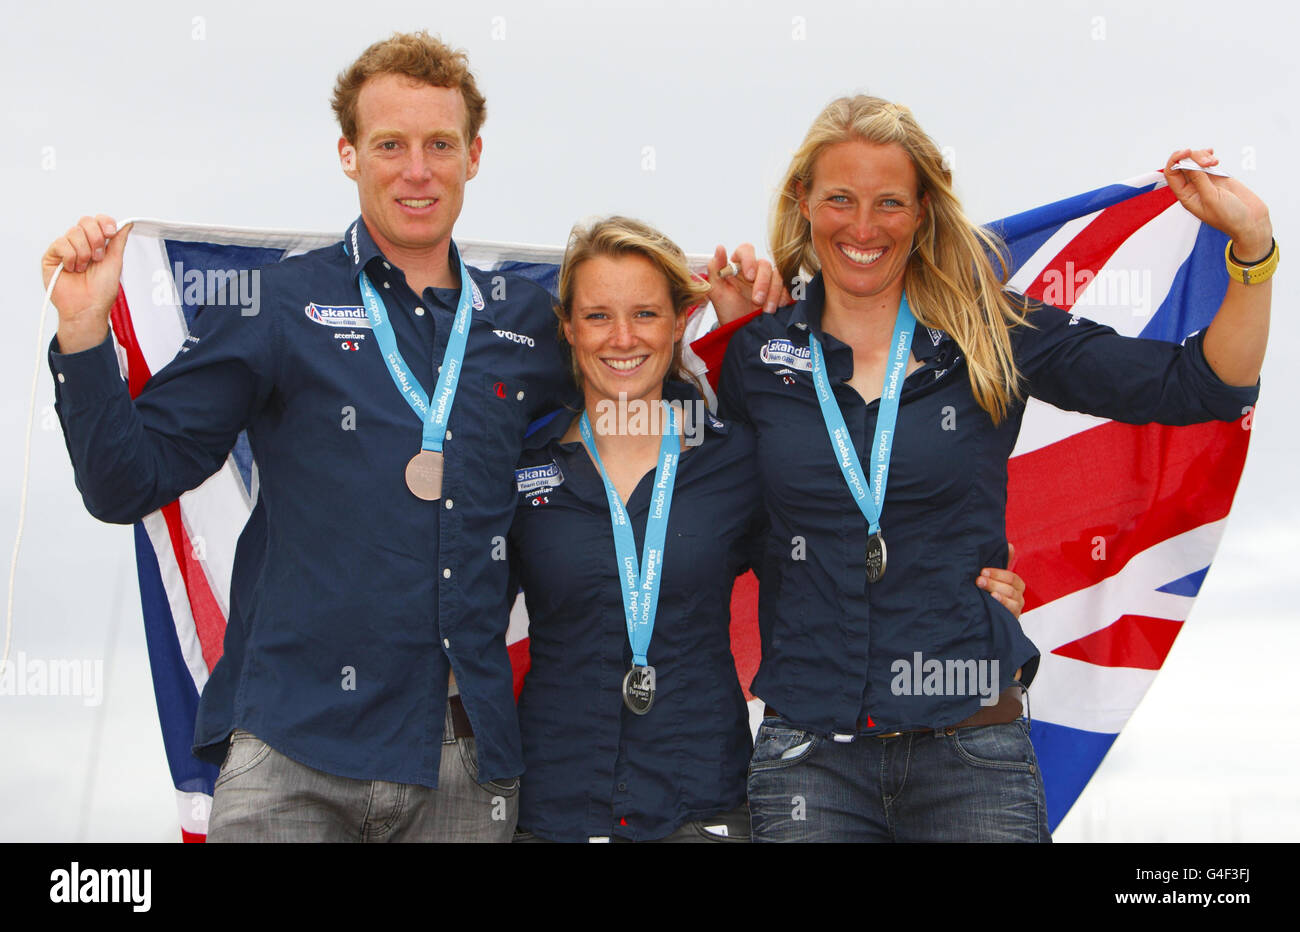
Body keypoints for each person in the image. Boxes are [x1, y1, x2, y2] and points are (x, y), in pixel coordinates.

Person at [41, 32, 581, 842]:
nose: (417, 170)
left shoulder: (528, 322)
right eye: (389, 145)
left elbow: (654, 392)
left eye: (439, 145)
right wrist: (84, 333)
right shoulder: (278, 304)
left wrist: (742, 315)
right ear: (348, 154)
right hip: (292, 750)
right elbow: (126, 482)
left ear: (474, 155)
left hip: (465, 768)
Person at [709, 96, 1271, 842]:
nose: (864, 226)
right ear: (802, 203)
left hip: (971, 747)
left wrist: (1255, 250)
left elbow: (1202, 386)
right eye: (839, 199)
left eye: (890, 203)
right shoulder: (756, 356)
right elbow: (714, 528)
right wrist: (726, 332)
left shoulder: (991, 330)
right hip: (810, 756)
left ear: (924, 213)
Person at [506, 217, 1030, 842]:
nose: (623, 338)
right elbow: (458, 607)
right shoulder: (518, 472)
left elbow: (839, 546)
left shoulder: (737, 458)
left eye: (645, 314)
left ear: (680, 322)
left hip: (701, 807)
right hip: (550, 807)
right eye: (597, 316)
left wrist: (960, 587)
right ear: (567, 326)